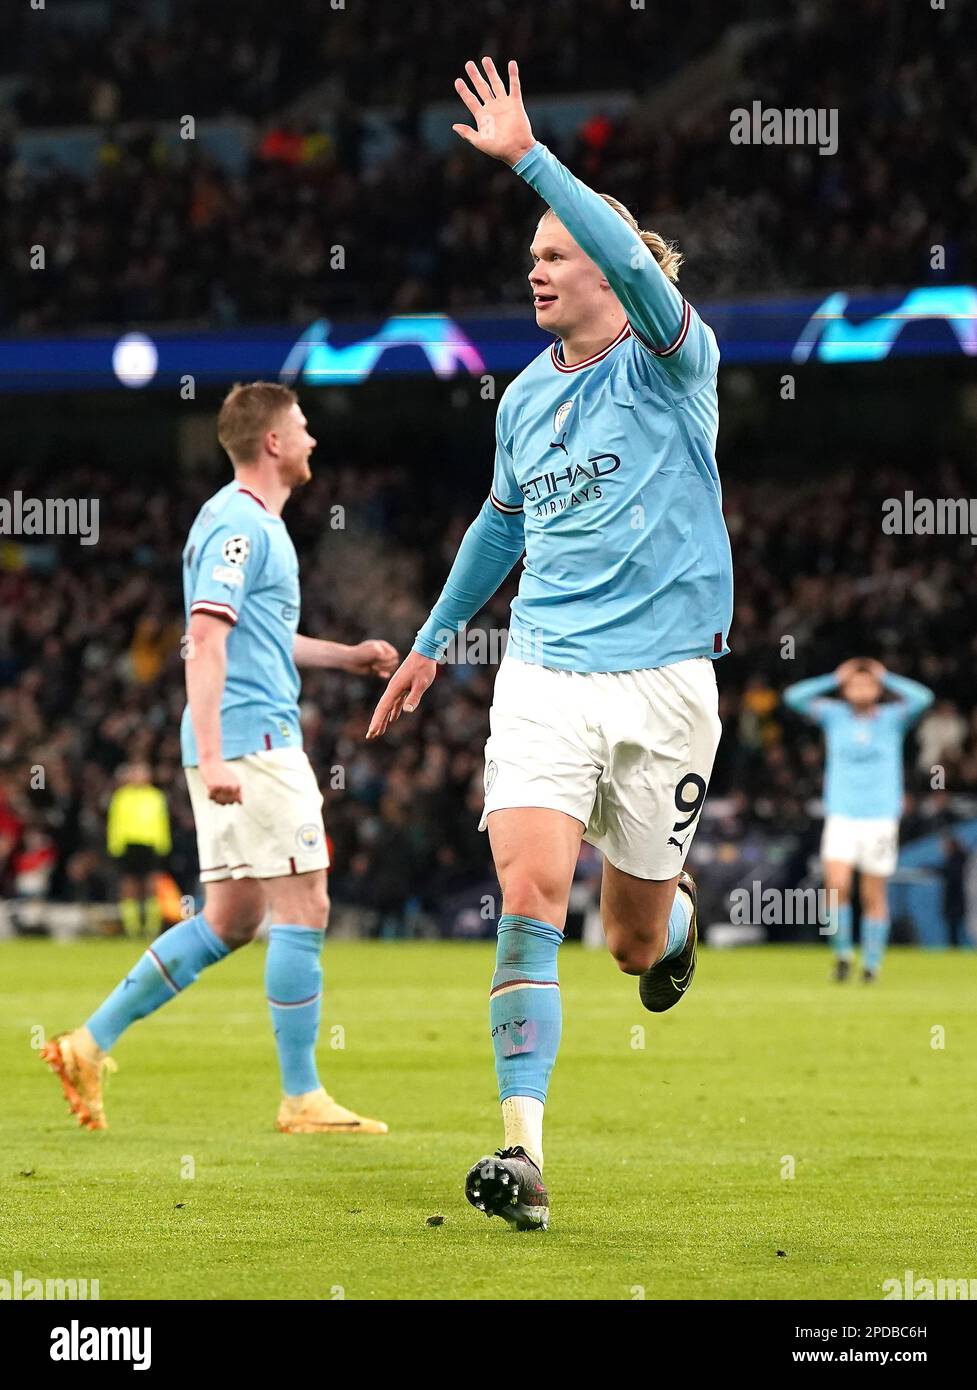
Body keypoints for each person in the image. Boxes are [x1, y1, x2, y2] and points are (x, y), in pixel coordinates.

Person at [368, 59, 732, 1230]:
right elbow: (499, 525)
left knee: (628, 943)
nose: (535, 266)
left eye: (556, 253)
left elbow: (627, 254)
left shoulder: (671, 362)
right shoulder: (521, 399)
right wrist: (432, 639)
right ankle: (520, 1151)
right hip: (542, 676)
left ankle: (674, 921)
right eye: (530, 253)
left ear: (609, 272)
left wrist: (529, 156)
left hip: (665, 682)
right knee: (527, 894)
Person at [43, 382, 399, 1134]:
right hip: (252, 743)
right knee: (306, 903)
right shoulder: (242, 524)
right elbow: (204, 639)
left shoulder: (239, 521)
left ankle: (88, 1043)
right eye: (301, 427)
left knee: (233, 917)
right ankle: (301, 1097)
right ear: (272, 441)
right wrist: (214, 755)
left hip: (236, 740)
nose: (311, 439)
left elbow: (256, 637)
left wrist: (347, 656)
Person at [782, 659, 934, 983]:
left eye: (868, 684)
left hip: (880, 818)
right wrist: (834, 676)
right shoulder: (833, 715)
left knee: (872, 894)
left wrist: (886, 675)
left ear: (878, 689)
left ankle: (871, 964)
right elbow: (793, 696)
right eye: (854, 684)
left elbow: (924, 697)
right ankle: (842, 955)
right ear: (845, 689)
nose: (861, 689)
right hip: (842, 815)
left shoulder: (893, 718)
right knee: (836, 887)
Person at [105, 762, 171, 938]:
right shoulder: (121, 796)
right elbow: (114, 822)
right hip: (128, 844)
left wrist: (163, 844)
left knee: (152, 886)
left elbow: (162, 822)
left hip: (150, 844)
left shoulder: (156, 796)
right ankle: (132, 928)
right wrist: (114, 845)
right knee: (129, 886)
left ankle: (151, 928)